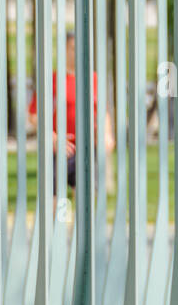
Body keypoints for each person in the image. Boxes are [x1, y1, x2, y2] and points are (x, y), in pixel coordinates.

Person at [27, 34, 113, 189]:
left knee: (87, 198)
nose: (77, 53)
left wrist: (107, 134)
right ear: (64, 51)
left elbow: (102, 111)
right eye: (73, 48)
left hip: (87, 149)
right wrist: (53, 137)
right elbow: (34, 116)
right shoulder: (51, 80)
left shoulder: (92, 79)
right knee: (55, 201)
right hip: (58, 150)